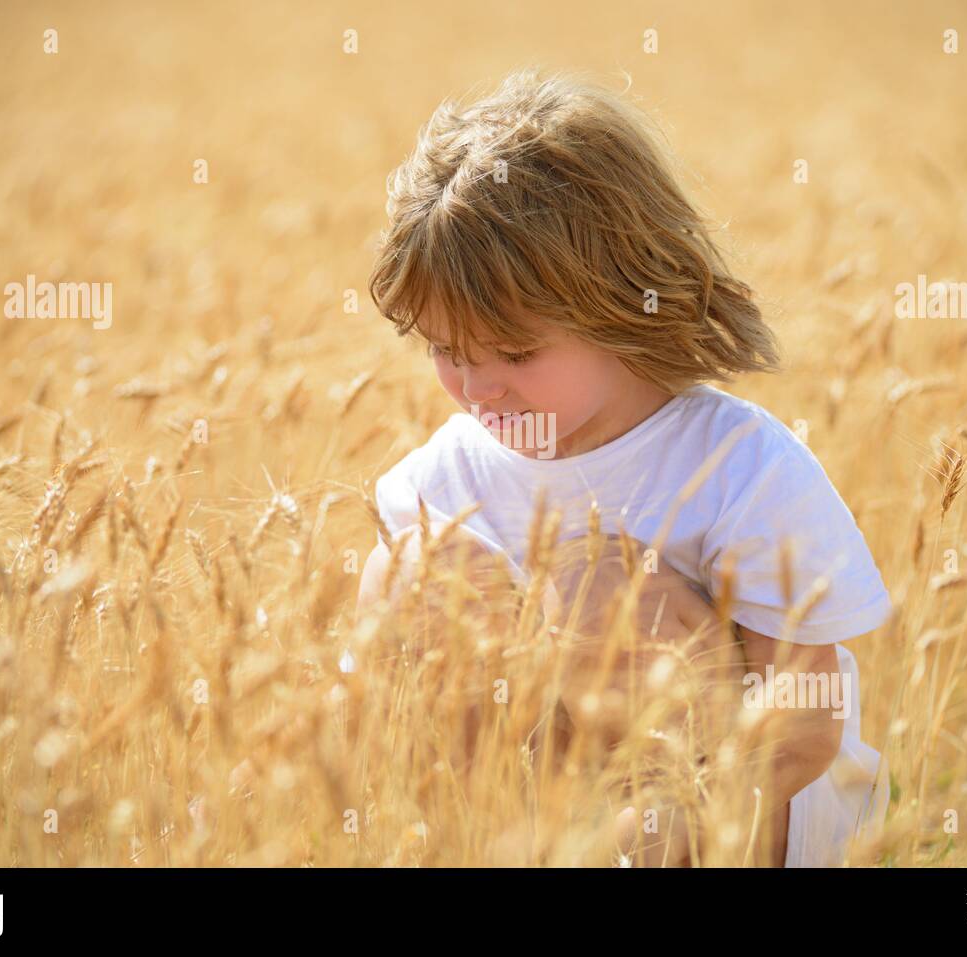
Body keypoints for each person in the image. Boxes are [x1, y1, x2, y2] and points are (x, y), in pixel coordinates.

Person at [357, 68, 891, 866]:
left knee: (595, 588)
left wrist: (665, 827)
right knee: (412, 570)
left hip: (742, 815)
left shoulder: (735, 463)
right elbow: (370, 704)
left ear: (620, 303)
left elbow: (805, 725)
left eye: (515, 352)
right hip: (550, 823)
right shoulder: (448, 480)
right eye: (445, 350)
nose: (475, 387)